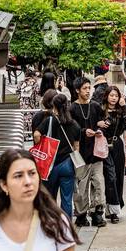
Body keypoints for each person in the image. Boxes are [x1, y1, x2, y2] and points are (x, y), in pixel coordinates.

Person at [32, 90, 81, 220]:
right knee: (67, 199)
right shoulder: (74, 124)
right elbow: (76, 147)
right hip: (67, 164)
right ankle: (67, 227)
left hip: (51, 164)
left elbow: (36, 135)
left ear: (54, 106)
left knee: (50, 196)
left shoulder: (49, 121)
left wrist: (41, 143)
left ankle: (51, 223)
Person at [70, 79, 106, 229]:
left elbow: (104, 121)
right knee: (81, 186)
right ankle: (81, 214)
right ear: (77, 90)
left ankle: (97, 212)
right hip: (80, 154)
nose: (87, 91)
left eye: (88, 88)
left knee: (99, 183)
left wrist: (100, 126)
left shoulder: (95, 106)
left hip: (96, 152)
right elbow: (71, 129)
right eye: (84, 88)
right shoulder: (72, 108)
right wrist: (84, 132)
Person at [100, 86, 126, 222]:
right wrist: (98, 124)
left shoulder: (119, 111)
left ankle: (114, 208)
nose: (113, 98)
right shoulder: (100, 110)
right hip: (103, 145)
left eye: (116, 96)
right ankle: (111, 209)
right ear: (107, 96)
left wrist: (124, 108)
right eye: (111, 95)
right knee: (109, 177)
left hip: (117, 145)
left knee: (118, 177)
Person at [18, 68, 40, 136]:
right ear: (33, 76)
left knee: (23, 119)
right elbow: (36, 96)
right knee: (30, 119)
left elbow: (18, 92)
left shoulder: (21, 83)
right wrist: (36, 105)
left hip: (23, 104)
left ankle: (24, 135)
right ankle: (30, 134)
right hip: (31, 104)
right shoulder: (35, 84)